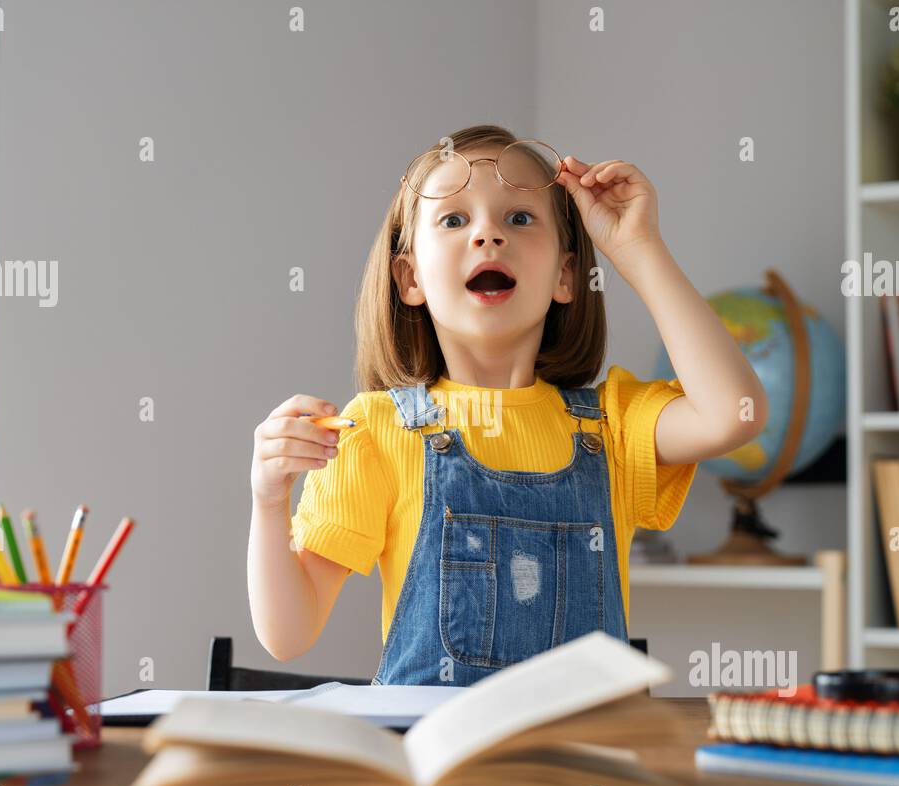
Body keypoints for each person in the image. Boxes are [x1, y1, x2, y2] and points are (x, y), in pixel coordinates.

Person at [249, 124, 767, 686]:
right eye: (454, 220)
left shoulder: (613, 425)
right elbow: (288, 635)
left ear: (566, 274)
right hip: (437, 746)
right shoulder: (376, 429)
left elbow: (734, 414)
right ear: (410, 277)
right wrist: (269, 500)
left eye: (519, 217)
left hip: (585, 744)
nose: (488, 234)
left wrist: (638, 249)